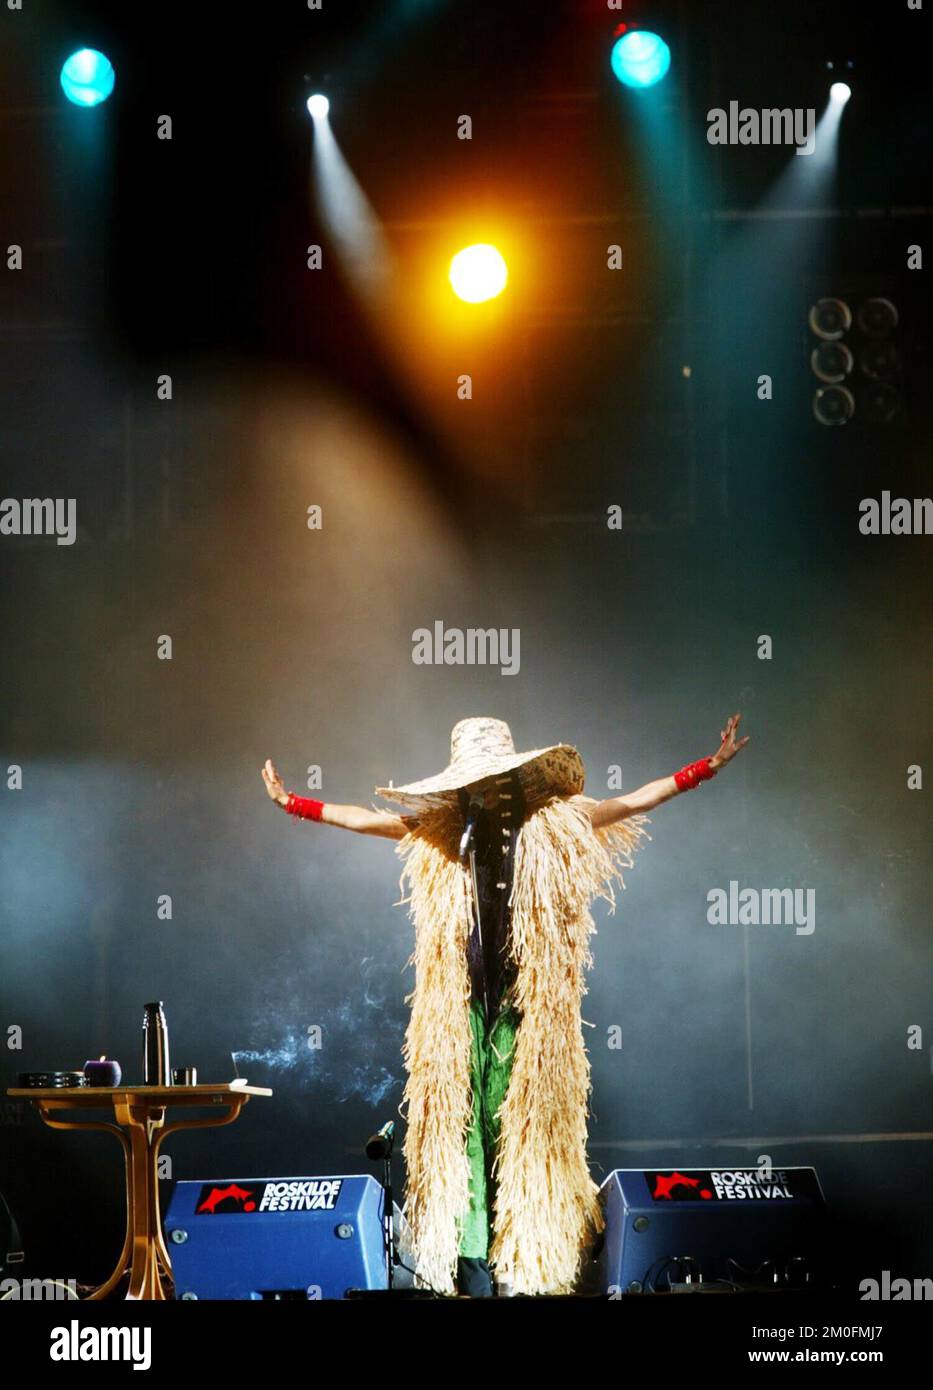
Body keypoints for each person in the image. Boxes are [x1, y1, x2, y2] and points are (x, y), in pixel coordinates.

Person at [262, 713, 748, 1296]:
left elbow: (632, 802)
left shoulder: (557, 823)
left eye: (496, 779)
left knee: (523, 1132)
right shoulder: (443, 830)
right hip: (458, 1013)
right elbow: (367, 821)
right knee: (458, 1134)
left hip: (528, 1016)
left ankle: (528, 1264)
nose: (486, 791)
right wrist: (294, 803)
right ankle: (470, 1265)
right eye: (476, 782)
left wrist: (704, 769)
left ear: (517, 778)